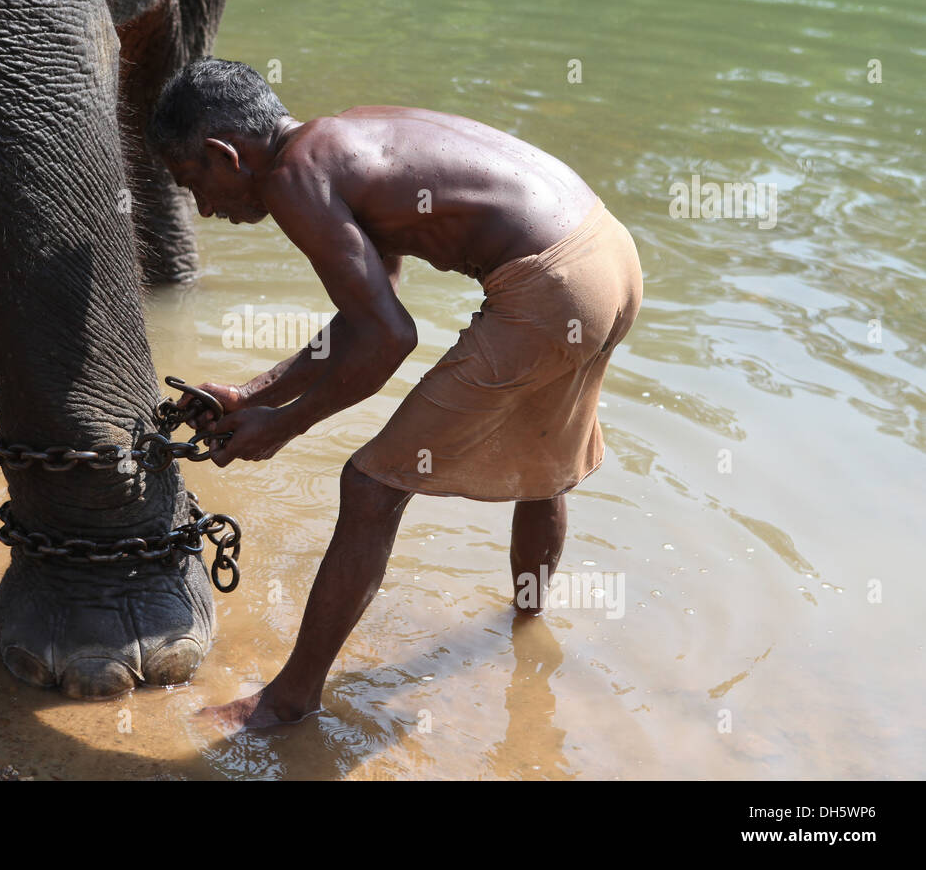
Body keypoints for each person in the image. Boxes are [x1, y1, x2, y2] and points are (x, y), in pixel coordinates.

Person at [145, 57, 643, 731]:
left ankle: (289, 700)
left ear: (223, 154)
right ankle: (527, 631)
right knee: (538, 461)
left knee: (371, 487)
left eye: (194, 183)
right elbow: (367, 315)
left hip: (548, 286)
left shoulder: (294, 180)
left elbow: (388, 338)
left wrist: (283, 426)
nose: (205, 208)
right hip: (608, 254)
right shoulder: (347, 140)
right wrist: (250, 394)